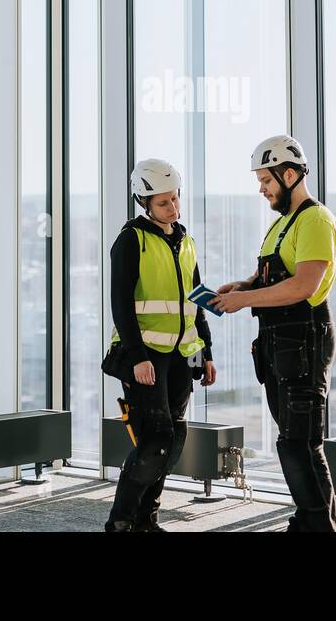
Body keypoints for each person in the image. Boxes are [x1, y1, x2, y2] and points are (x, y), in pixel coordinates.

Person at [214, 134, 336, 532]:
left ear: (289, 174)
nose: (261, 189)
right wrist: (241, 288)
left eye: (266, 181)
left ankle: (317, 525)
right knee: (294, 440)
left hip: (304, 341)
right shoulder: (283, 224)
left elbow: (303, 285)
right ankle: (312, 519)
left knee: (299, 443)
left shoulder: (316, 219)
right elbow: (269, 275)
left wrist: (246, 302)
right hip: (280, 345)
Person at [103, 158, 216, 532]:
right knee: (156, 441)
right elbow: (121, 304)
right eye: (164, 202)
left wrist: (207, 353)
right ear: (144, 202)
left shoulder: (186, 241)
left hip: (181, 358)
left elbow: (195, 300)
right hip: (145, 358)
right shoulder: (131, 240)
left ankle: (146, 522)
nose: (174, 207)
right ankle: (120, 522)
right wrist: (137, 358)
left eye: (175, 198)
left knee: (174, 438)